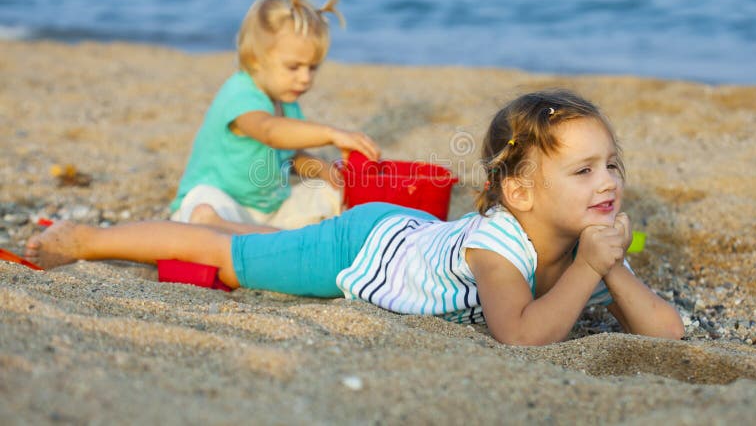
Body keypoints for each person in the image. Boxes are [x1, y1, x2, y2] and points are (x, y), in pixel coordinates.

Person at [25, 89, 685, 346]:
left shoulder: (583, 240)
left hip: (400, 230)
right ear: (518, 191)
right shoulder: (495, 244)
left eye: (612, 165)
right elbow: (519, 336)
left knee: (261, 240)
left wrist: (613, 263)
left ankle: (207, 225)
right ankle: (89, 240)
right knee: (236, 258)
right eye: (583, 171)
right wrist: (591, 268)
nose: (608, 183)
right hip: (362, 247)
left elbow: (668, 333)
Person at [170, 0, 380, 231]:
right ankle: (223, 230)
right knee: (202, 203)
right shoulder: (240, 94)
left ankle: (255, 238)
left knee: (334, 194)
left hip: (268, 211)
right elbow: (270, 132)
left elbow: (289, 158)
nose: (305, 78)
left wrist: (326, 172)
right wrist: (332, 134)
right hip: (224, 204)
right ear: (256, 60)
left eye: (312, 67)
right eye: (294, 67)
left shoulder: (285, 103)